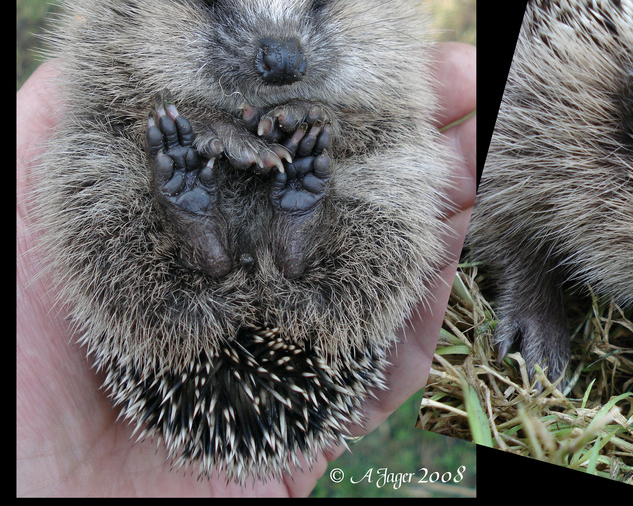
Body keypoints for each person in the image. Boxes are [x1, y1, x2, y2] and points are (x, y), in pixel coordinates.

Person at [16, 42, 476, 497]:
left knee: (129, 257)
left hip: (169, 328)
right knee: (369, 255)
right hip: (320, 330)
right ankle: (290, 243)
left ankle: (207, 249)